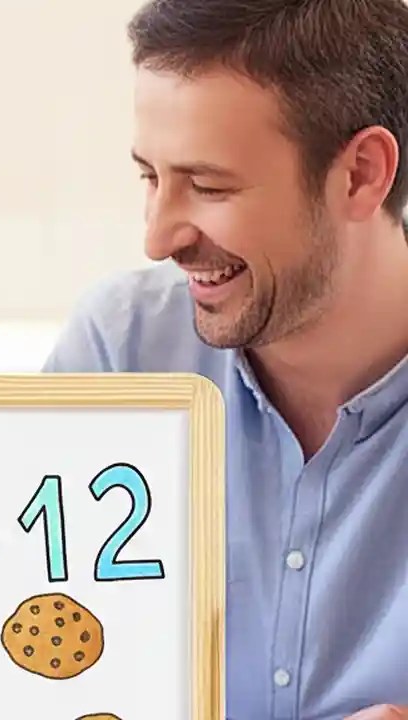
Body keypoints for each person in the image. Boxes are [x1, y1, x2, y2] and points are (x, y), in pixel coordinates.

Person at [42, 0, 408, 718]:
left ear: (361, 175)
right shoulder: (120, 354)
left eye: (209, 187)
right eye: (150, 178)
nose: (158, 239)